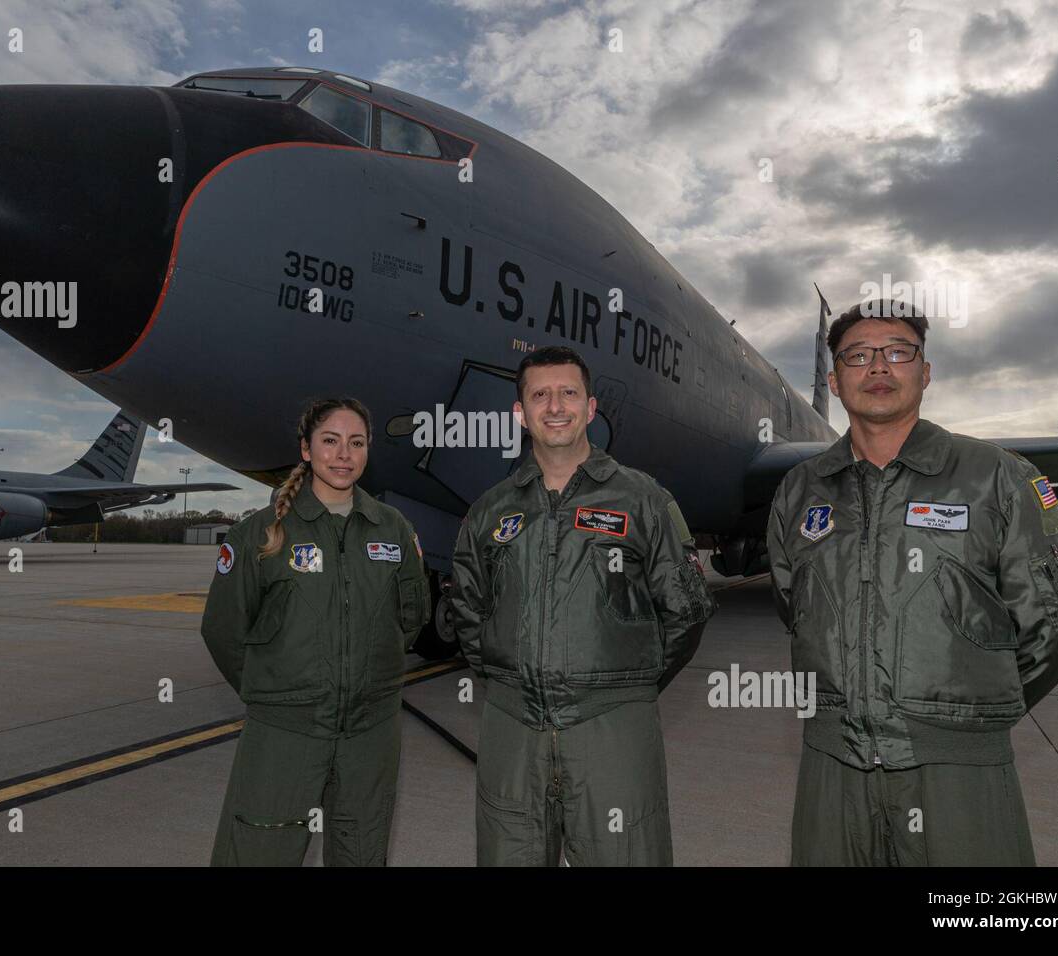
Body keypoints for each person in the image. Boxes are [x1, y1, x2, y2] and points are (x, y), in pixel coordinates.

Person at [767, 299, 1058, 866]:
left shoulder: (997, 475)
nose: (878, 368)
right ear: (835, 380)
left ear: (925, 373)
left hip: (958, 770)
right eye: (858, 356)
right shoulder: (801, 491)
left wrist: (968, 712)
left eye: (898, 353)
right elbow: (793, 604)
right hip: (833, 761)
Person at [449, 345, 717, 866]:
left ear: (590, 408)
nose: (555, 406)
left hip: (612, 730)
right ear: (519, 413)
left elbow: (685, 609)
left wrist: (624, 684)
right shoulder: (490, 511)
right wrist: (513, 681)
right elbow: (468, 611)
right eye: (540, 395)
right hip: (513, 729)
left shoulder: (642, 500)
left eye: (568, 393)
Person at [200, 397, 431, 866]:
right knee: (259, 849)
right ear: (306, 449)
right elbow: (223, 628)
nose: (344, 454)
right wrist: (274, 691)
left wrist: (366, 676)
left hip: (371, 731)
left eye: (356, 443)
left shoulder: (394, 529)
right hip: (285, 728)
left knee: (363, 851)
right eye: (330, 441)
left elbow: (410, 619)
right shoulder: (260, 533)